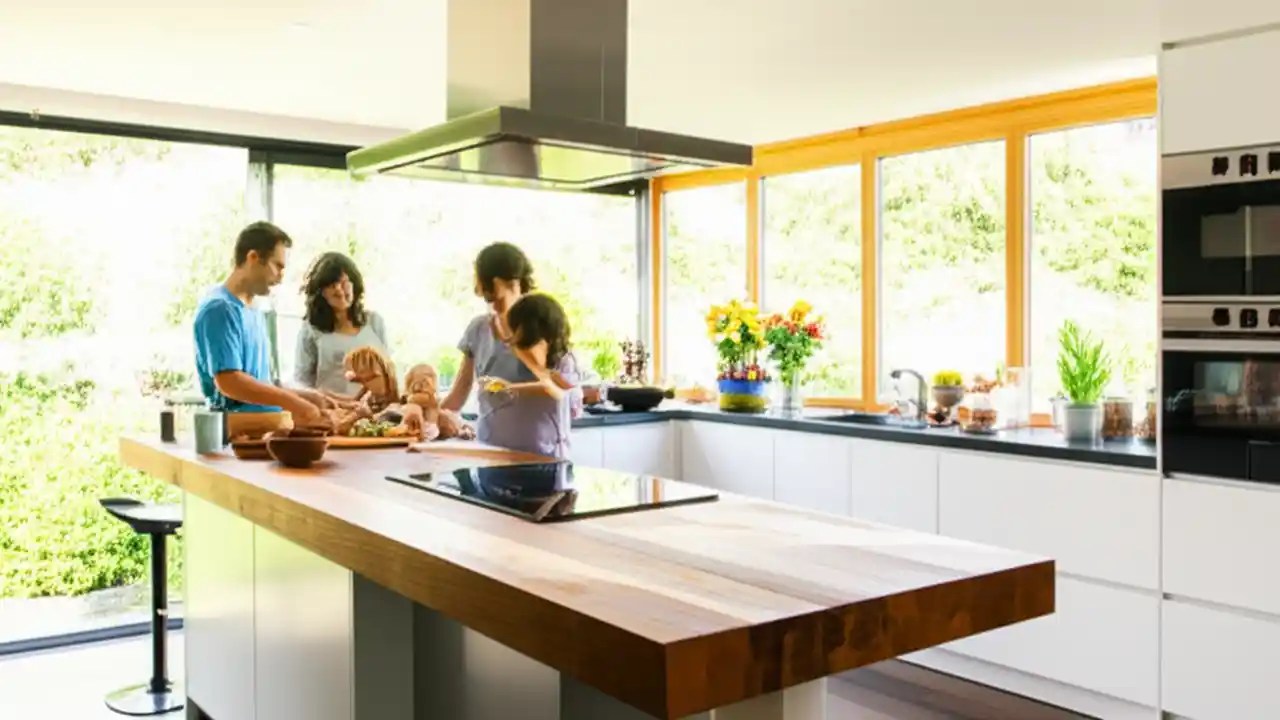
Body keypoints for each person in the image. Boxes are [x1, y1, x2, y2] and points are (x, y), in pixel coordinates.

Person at [443, 242, 578, 456]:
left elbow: (561, 390)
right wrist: (429, 416)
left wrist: (509, 388)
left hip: (543, 457)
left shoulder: (543, 322)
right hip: (490, 455)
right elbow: (458, 394)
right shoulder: (478, 330)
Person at [193, 221, 330, 429]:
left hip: (266, 428)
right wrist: (295, 404)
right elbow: (230, 382)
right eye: (278, 266)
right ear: (253, 258)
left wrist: (309, 397)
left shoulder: (254, 310)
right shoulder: (219, 309)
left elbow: (262, 384)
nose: (280, 277)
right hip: (234, 434)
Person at [478, 292, 581, 459]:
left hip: (547, 456)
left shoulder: (564, 360)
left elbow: (556, 390)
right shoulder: (516, 354)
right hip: (501, 454)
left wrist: (510, 388)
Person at [293, 251, 389, 398]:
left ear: (354, 285)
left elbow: (387, 371)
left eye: (344, 283)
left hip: (375, 407)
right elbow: (302, 382)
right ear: (321, 292)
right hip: (332, 408)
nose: (339, 289)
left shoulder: (374, 322)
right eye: (332, 285)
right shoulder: (311, 330)